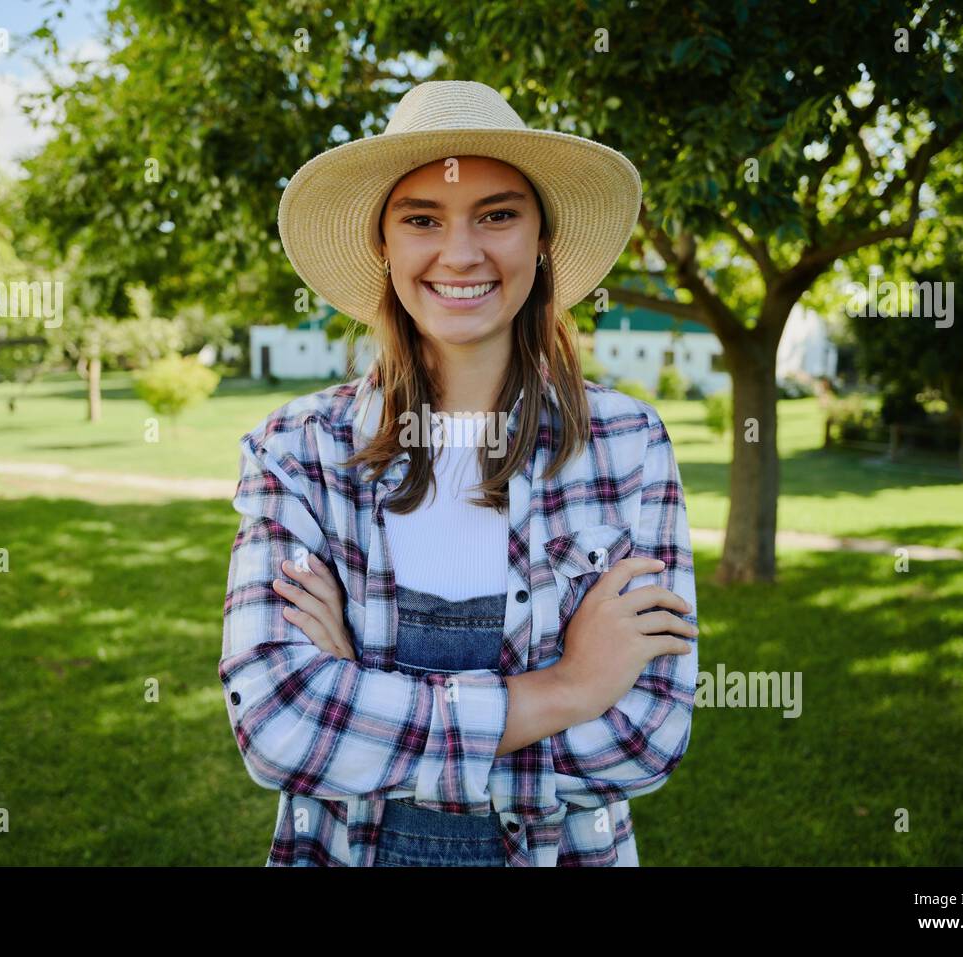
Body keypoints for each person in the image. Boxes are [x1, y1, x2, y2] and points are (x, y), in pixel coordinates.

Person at [219, 79, 699, 867]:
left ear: (541, 238)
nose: (462, 252)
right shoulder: (298, 447)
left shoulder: (627, 443)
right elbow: (279, 728)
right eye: (422, 219)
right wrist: (571, 689)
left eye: (499, 215)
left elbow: (645, 739)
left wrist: (359, 691)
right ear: (384, 244)